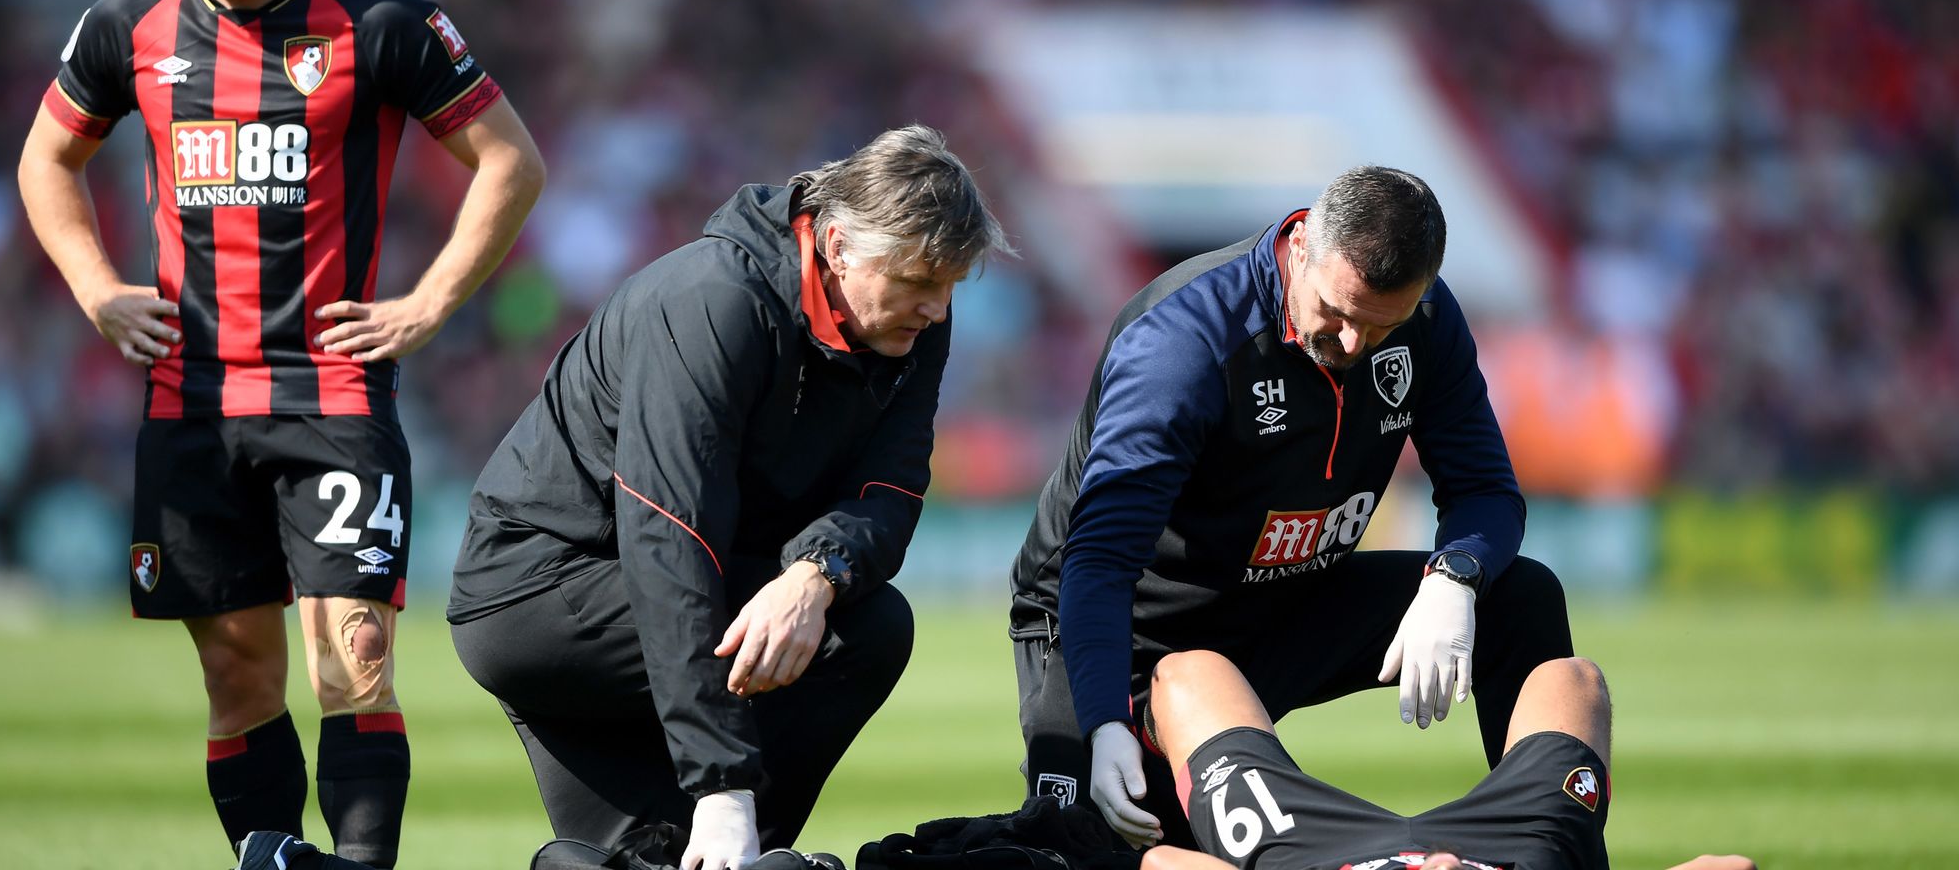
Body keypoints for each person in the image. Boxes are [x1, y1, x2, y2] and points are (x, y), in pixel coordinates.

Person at [16, 0, 546, 868]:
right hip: (192, 404)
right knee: (237, 679)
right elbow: (47, 159)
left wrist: (431, 301)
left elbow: (510, 161)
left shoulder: (382, 23)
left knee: (351, 664)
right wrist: (95, 286)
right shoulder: (128, 24)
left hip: (334, 396)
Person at [446, 125, 1013, 870]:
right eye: (917, 283)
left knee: (848, 615)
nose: (938, 310)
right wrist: (724, 786)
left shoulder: (908, 323)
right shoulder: (712, 301)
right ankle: (739, 846)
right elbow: (669, 538)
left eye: (949, 286)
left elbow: (891, 486)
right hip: (542, 591)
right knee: (861, 636)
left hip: (668, 589)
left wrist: (815, 576)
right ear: (838, 246)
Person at [1009, 166, 1574, 848]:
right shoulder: (1184, 344)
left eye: (1379, 326)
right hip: (1131, 627)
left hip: (1287, 599)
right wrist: (1104, 721)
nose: (1353, 345)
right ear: (1300, 243)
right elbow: (1097, 559)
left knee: (1520, 596)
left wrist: (1454, 576)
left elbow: (1485, 488)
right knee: (1092, 849)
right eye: (1335, 313)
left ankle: (1538, 854)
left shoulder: (1426, 319)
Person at [1140, 649, 1755, 870]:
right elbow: (1732, 866)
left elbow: (1164, 862)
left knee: (1186, 675)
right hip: (1508, 853)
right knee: (1570, 681)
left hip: (1318, 855)